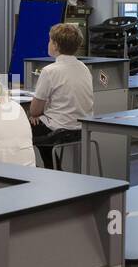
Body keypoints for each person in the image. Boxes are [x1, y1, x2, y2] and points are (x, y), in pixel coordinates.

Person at [29, 23, 94, 168]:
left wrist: (36, 115)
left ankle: (51, 170)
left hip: (59, 129)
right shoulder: (84, 68)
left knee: (24, 128)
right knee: (40, 128)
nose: (49, 43)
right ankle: (53, 169)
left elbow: (34, 111)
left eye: (50, 40)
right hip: (82, 127)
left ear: (55, 45)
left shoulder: (49, 71)